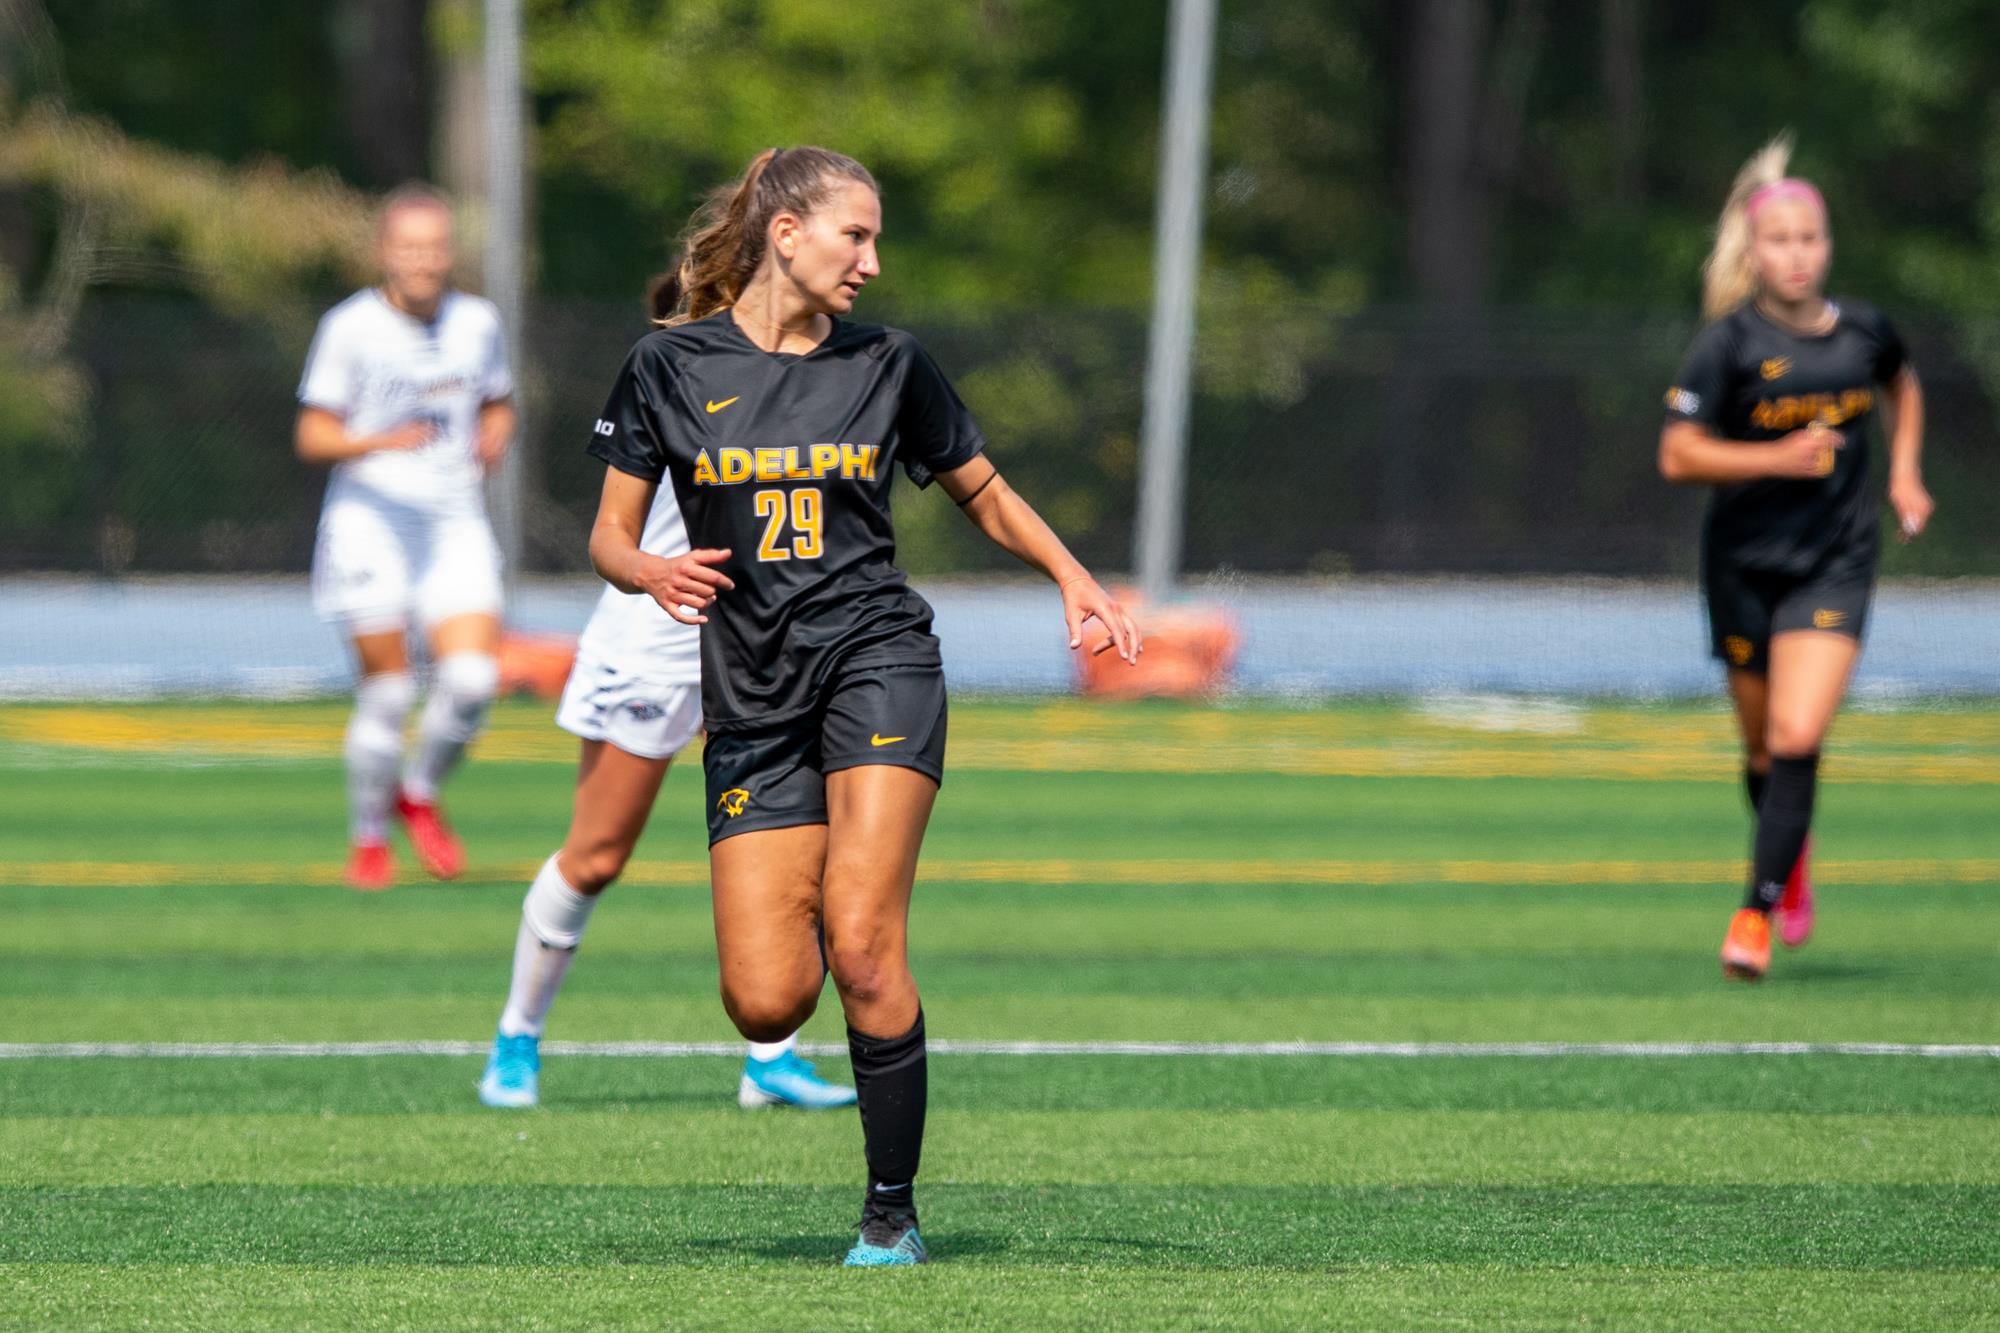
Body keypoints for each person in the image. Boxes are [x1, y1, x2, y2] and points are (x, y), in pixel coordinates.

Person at [584, 146, 1139, 1265]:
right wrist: (649, 573)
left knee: (864, 940)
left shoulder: (891, 362)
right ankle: (809, 980)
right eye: (855, 235)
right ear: (784, 233)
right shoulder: (666, 365)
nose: (872, 262)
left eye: (876, 238)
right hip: (750, 692)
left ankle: (890, 1212)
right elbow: (605, 536)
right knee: (764, 1001)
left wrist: (1073, 576)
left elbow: (980, 489)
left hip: (877, 660)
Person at [476, 278, 856, 1116]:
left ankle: (772, 1056)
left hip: (766, 647)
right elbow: (612, 534)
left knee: (797, 854)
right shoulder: (672, 370)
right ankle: (517, 1035)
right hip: (658, 639)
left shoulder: (830, 370)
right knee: (597, 853)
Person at [1658, 137, 1933, 981]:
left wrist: (1903, 471)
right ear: (1755, 250)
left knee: (1798, 731)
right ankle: (1793, 853)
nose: (1797, 254)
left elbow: (1902, 383)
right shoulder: (1728, 347)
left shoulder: (1864, 332)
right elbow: (1677, 455)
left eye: (1809, 238)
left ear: (1827, 246)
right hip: (1743, 565)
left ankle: (1753, 913)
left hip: (1836, 561)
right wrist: (1773, 459)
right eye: (1780, 240)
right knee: (1761, 754)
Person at [296, 186, 515, 891]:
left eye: (434, 246)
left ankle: (416, 791)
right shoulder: (350, 327)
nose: (422, 260)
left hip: (454, 523)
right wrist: (378, 439)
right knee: (389, 696)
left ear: (450, 253)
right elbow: (313, 432)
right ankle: (369, 840)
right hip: (371, 526)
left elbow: (498, 400)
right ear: (385, 252)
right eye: (408, 246)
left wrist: (495, 434)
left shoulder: (478, 322)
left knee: (473, 680)